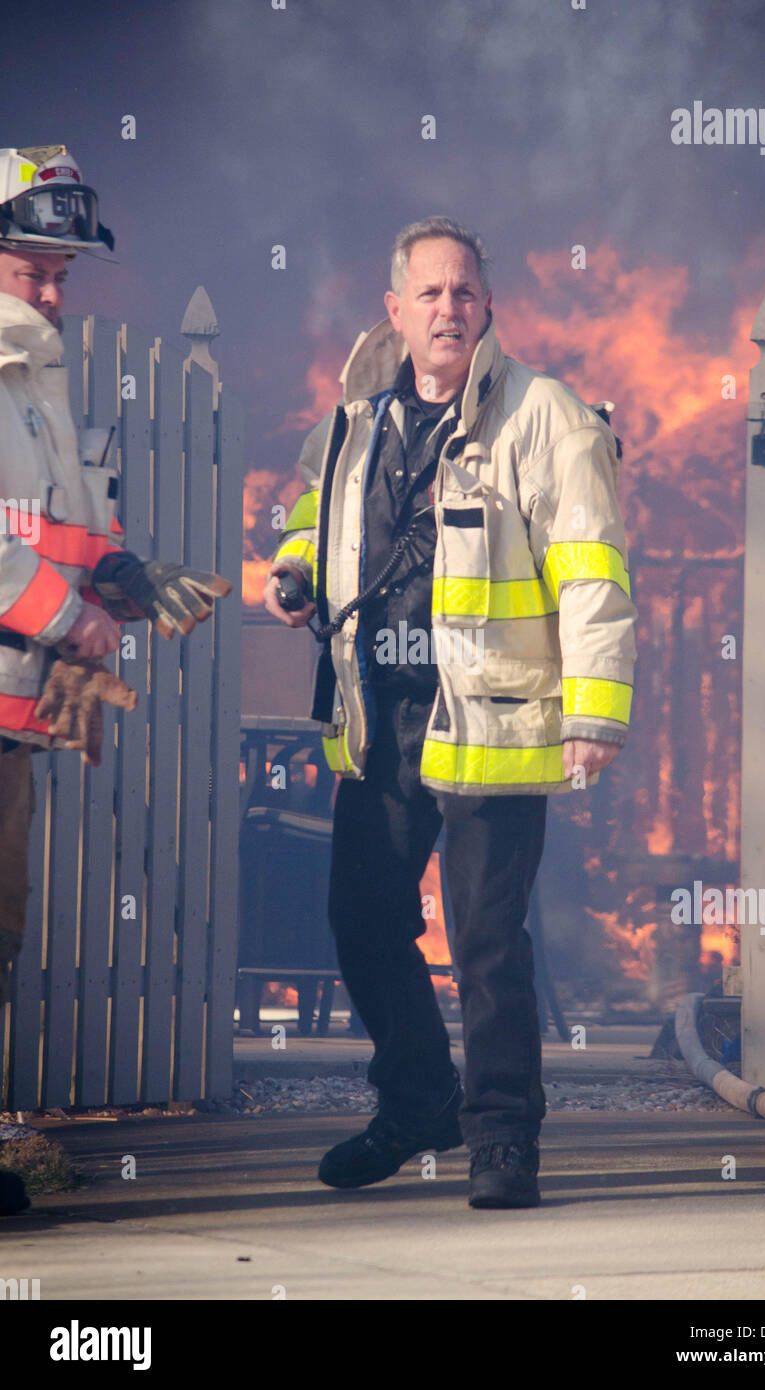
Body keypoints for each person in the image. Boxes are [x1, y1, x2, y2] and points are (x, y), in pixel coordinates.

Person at [263, 216, 637, 1208]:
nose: (447, 307)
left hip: (495, 720)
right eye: (428, 292)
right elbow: (312, 517)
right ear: (394, 310)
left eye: (464, 291)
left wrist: (593, 711)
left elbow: (592, 569)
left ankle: (504, 1136)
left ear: (489, 310)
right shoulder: (351, 423)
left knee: (485, 937)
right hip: (380, 717)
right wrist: (292, 571)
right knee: (362, 918)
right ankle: (421, 1096)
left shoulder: (545, 415)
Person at [0, 145, 230, 1216]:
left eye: (62, 272)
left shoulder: (37, 383)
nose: (51, 290)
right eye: (30, 266)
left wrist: (129, 576)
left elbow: (64, 527)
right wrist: (71, 617)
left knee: (4, 918)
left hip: (15, 721)